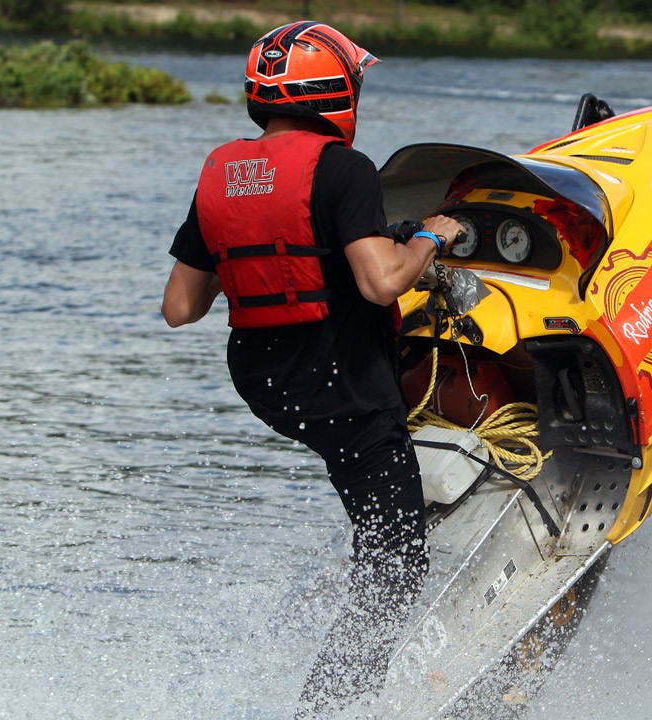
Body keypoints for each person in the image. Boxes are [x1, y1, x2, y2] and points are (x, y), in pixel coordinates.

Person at [161, 20, 464, 716]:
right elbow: (383, 284)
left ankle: (383, 530)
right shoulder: (345, 168)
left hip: (268, 382)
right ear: (335, 92)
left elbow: (180, 306)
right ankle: (330, 705)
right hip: (345, 386)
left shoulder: (221, 171)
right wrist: (430, 236)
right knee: (398, 566)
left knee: (370, 493)